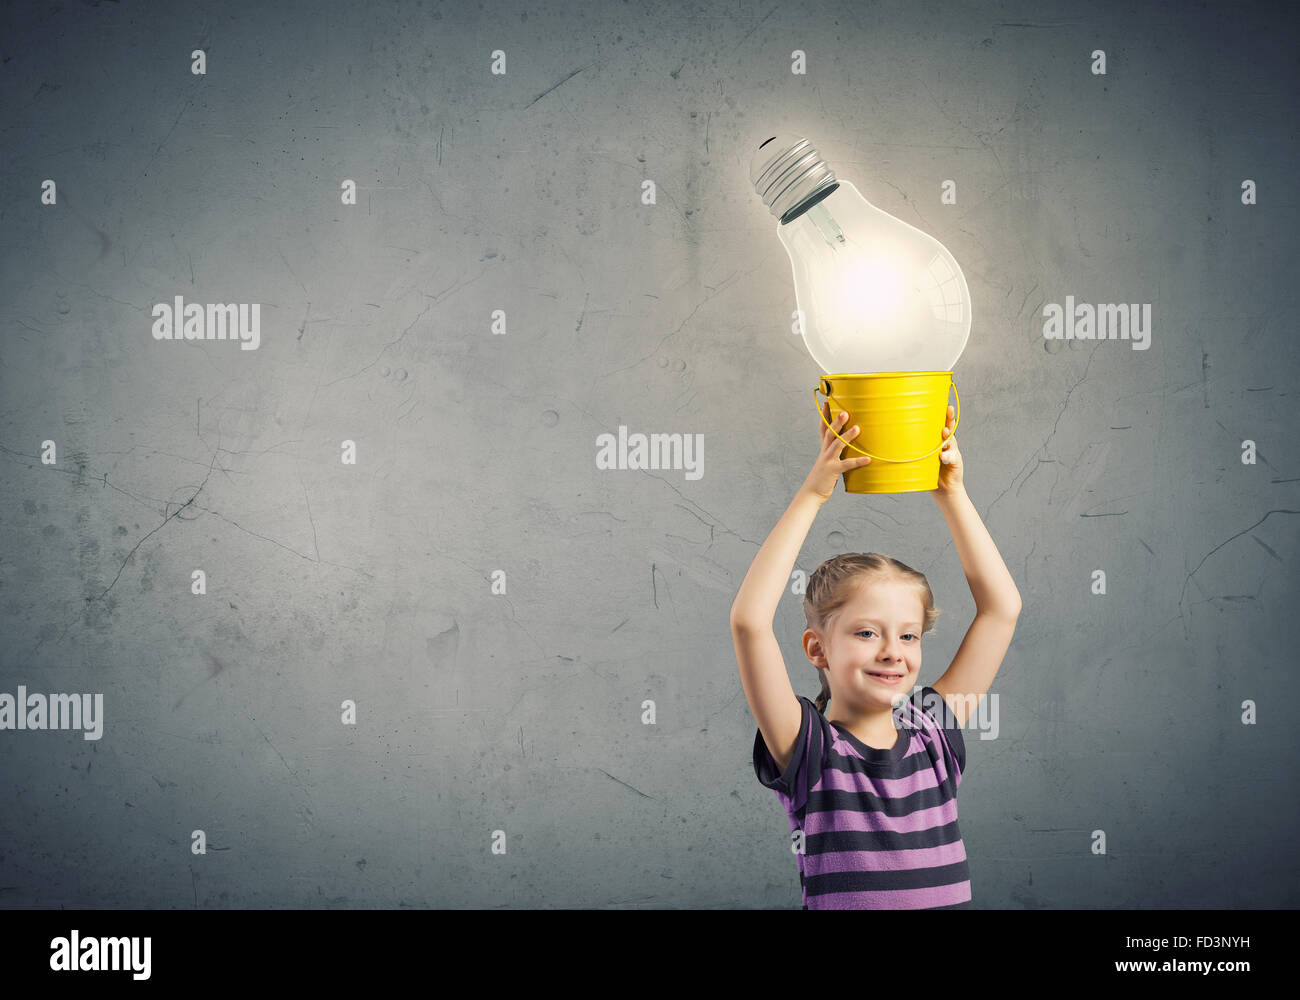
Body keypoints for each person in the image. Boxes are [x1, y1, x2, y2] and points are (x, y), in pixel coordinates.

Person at [730, 401, 1022, 908]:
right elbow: (749, 622)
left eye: (909, 636)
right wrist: (813, 494)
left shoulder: (933, 732)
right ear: (816, 648)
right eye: (867, 633)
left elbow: (1002, 609)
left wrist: (951, 494)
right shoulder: (811, 750)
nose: (893, 652)